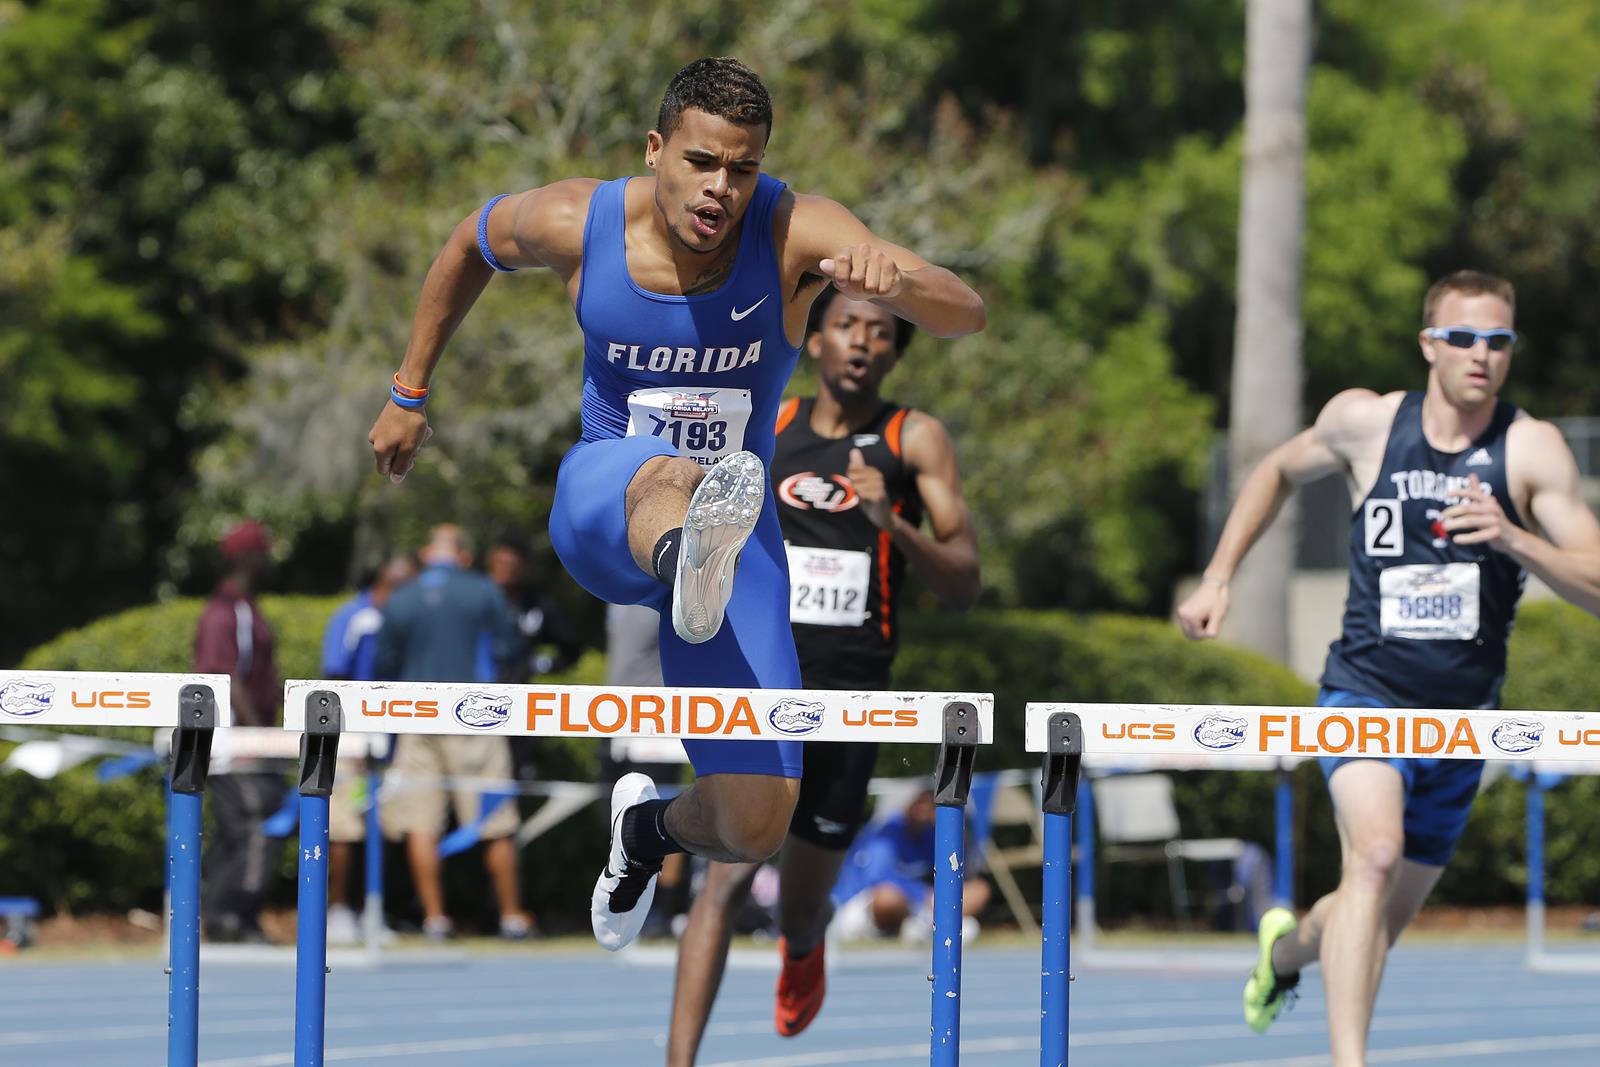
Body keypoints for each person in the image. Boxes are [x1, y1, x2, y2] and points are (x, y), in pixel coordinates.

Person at [365, 57, 986, 952]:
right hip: (610, 503)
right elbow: (470, 243)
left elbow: (965, 309)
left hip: (741, 546)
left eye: (742, 169)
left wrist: (896, 279)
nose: (720, 191)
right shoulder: (578, 220)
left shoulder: (795, 229)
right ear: (656, 149)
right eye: (700, 163)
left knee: (755, 820)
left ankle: (645, 831)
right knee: (669, 475)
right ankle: (685, 552)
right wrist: (409, 390)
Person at [1176, 270, 1600, 1064]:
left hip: (1463, 720)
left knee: (1373, 922)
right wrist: (1219, 573)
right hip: (1364, 692)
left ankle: (1283, 953)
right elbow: (1273, 469)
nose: (1482, 355)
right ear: (1429, 344)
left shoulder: (1529, 447)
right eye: (1465, 337)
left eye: (1499, 341)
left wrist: (1515, 539)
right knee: (1371, 856)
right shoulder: (1365, 422)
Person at [667, 285, 980, 1059]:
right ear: (815, 340)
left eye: (879, 331)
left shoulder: (914, 438)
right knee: (726, 875)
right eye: (845, 326)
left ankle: (803, 944)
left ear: (894, 351)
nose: (862, 342)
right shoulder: (769, 424)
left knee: (803, 907)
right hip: (762, 682)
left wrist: (891, 522)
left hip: (852, 699)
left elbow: (965, 581)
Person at [375, 525, 534, 940]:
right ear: (463, 557)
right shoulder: (483, 590)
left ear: (427, 554)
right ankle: (512, 916)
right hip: (475, 715)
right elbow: (510, 648)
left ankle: (434, 918)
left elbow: (384, 660)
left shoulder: (401, 597)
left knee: (421, 822)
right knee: (495, 821)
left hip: (418, 716)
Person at [319, 554, 417, 946]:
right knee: (343, 827)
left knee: (385, 828)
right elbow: (334, 674)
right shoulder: (354, 616)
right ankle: (339, 909)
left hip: (394, 741)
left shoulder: (405, 622)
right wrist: (351, 736)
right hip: (353, 739)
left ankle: (372, 909)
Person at [194, 520, 284, 944]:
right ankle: (231, 916)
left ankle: (226, 915)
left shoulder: (245, 607)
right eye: (263, 552)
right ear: (249, 557)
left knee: (238, 829)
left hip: (244, 738)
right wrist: (259, 735)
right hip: (234, 741)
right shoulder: (226, 612)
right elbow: (224, 675)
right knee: (255, 825)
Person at [826, 788, 990, 945]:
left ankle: (923, 926)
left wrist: (945, 826)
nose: (924, 809)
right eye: (920, 802)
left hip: (917, 905)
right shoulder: (886, 832)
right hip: (862, 904)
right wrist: (924, 895)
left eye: (930, 803)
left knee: (979, 889)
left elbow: (956, 871)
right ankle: (928, 926)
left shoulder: (928, 834)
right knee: (887, 898)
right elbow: (876, 881)